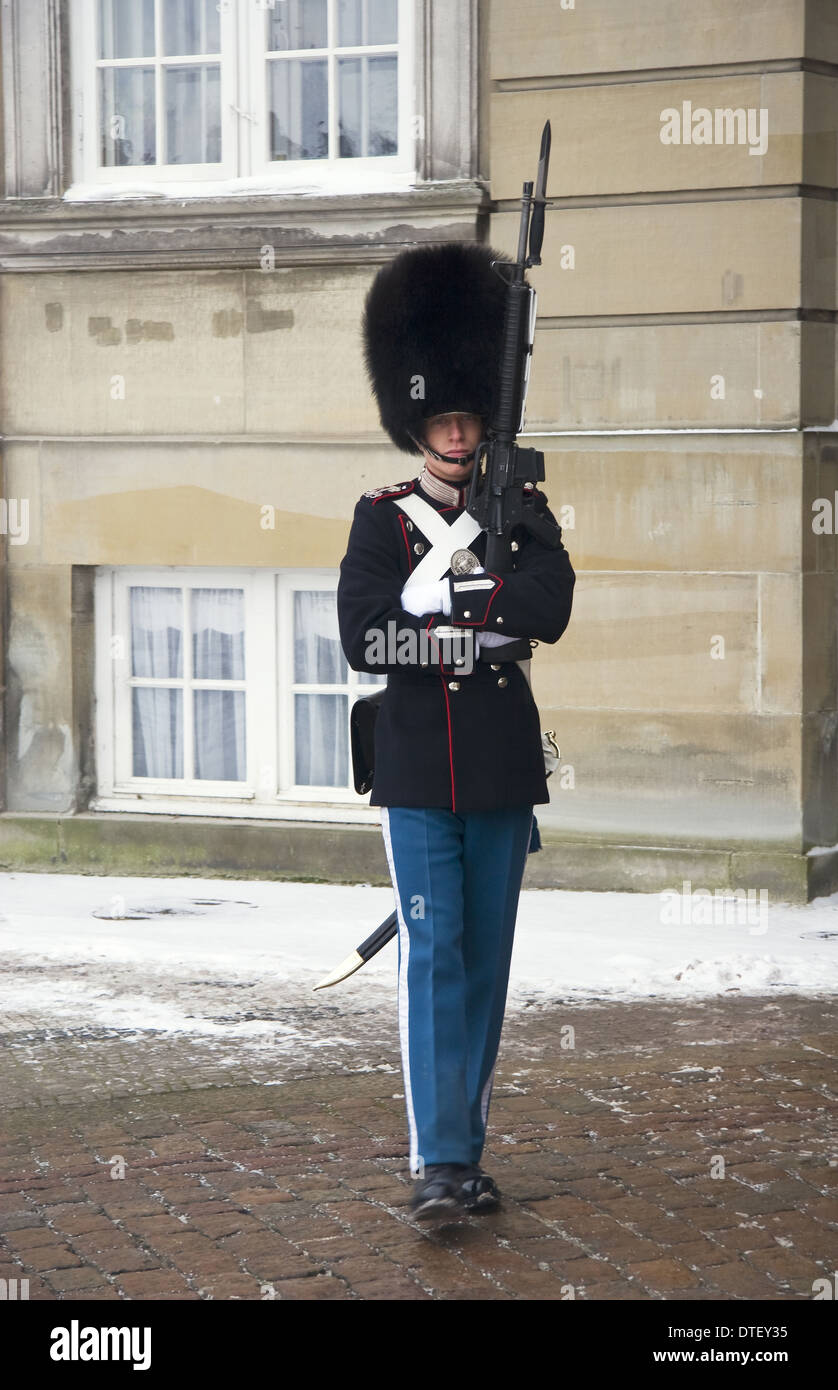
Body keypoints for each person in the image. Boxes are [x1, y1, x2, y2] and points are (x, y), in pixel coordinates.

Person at [337, 242, 575, 1220]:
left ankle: (468, 1151)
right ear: (415, 424)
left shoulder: (519, 509)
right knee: (432, 957)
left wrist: (444, 622)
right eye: (441, 417)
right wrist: (475, 628)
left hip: (498, 768)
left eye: (469, 414)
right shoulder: (380, 520)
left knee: (484, 961)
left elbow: (549, 603)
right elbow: (365, 635)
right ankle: (437, 1158)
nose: (457, 429)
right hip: (412, 770)